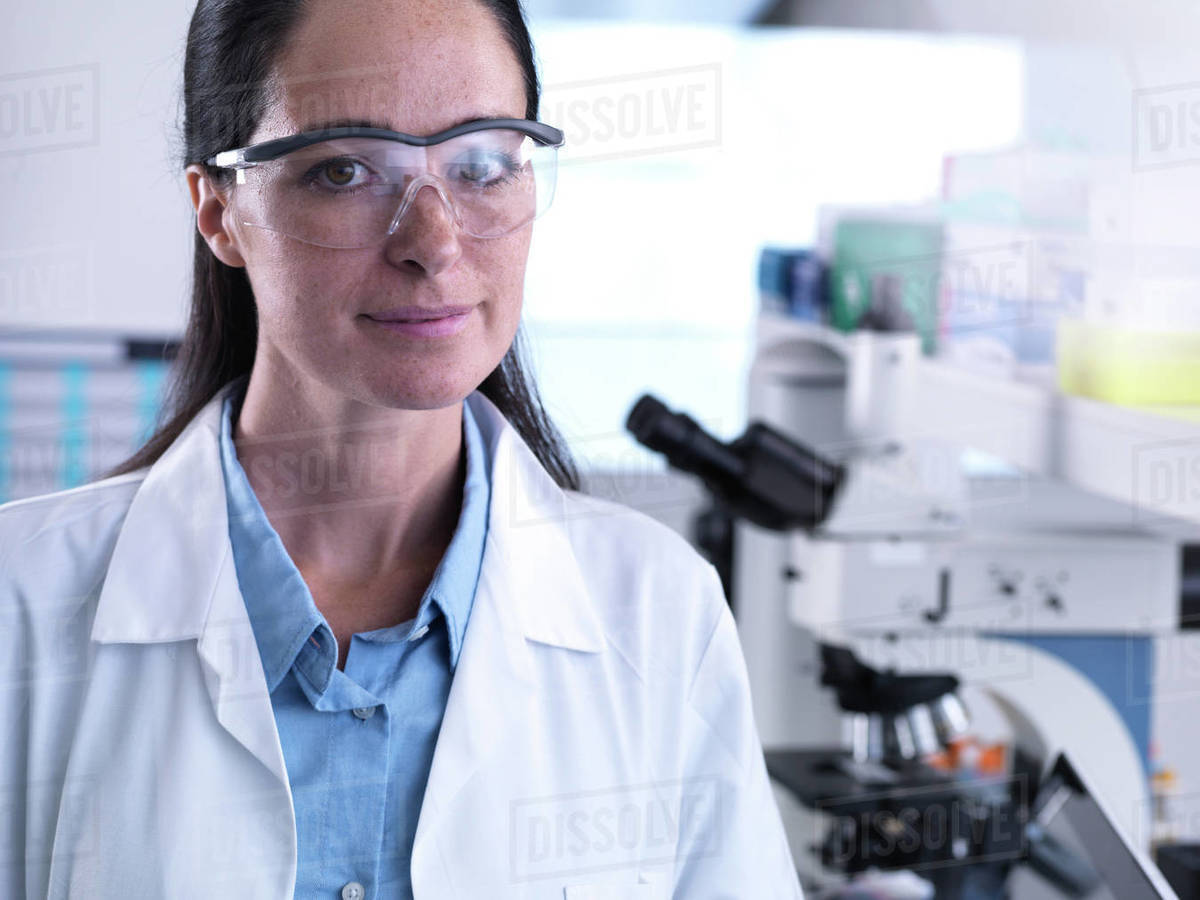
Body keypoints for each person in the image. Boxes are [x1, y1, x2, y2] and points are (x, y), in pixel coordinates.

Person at [0, 0, 803, 896]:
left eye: (484, 164)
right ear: (219, 210)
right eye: (345, 170)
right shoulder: (20, 606)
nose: (433, 242)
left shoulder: (659, 614)